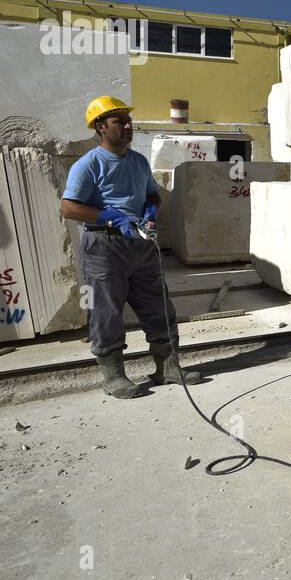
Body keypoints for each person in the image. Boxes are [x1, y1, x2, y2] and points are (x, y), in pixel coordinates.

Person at [60, 96, 205, 399]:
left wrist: (152, 210)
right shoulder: (88, 165)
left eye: (128, 121)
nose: (128, 127)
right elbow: (69, 208)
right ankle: (113, 376)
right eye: (119, 122)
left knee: (159, 306)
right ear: (100, 127)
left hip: (140, 244)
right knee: (107, 311)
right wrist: (107, 217)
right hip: (104, 246)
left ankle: (167, 367)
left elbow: (152, 195)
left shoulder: (138, 161)